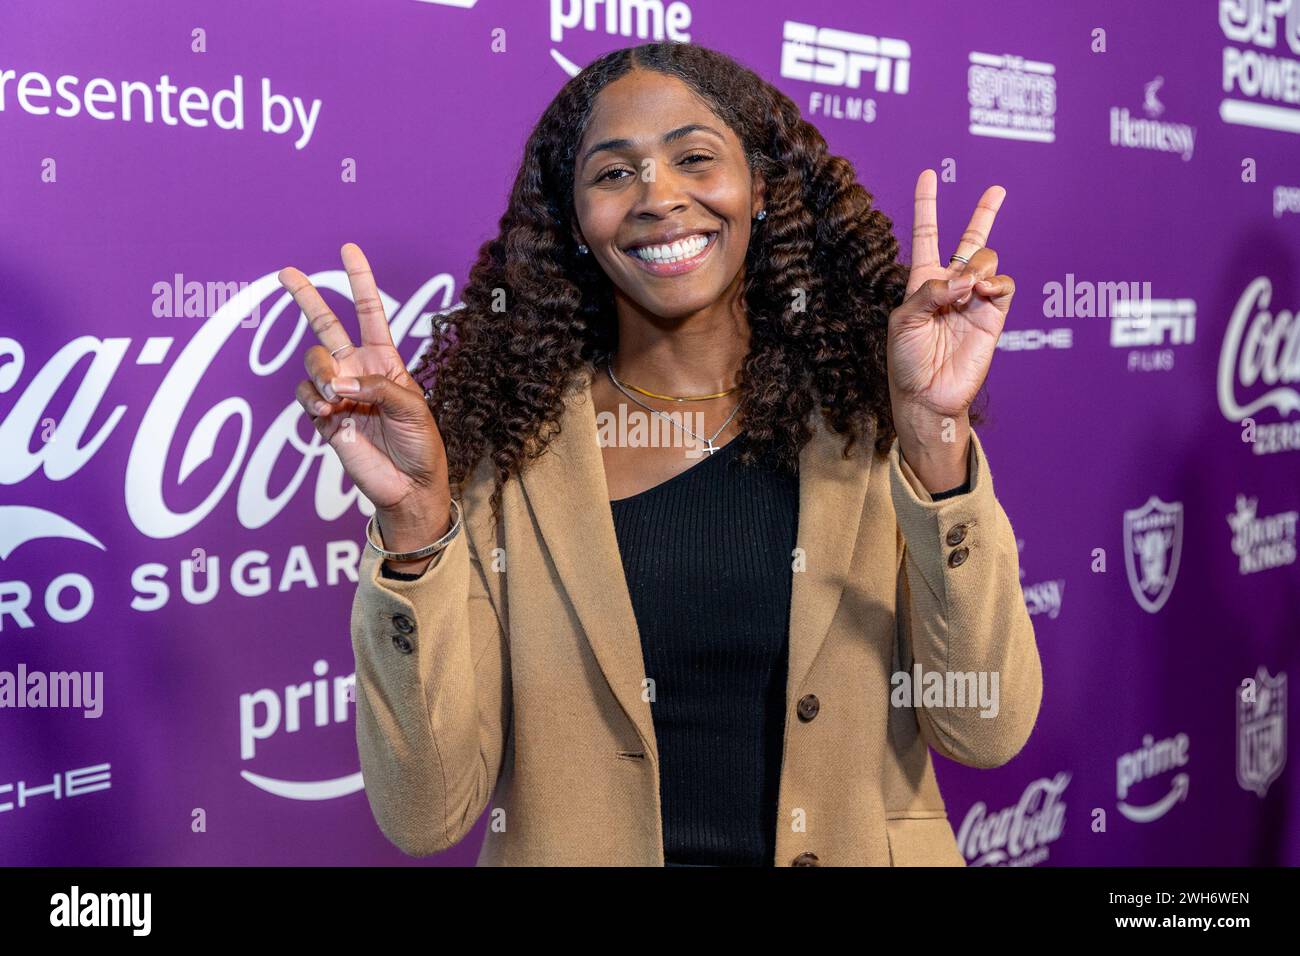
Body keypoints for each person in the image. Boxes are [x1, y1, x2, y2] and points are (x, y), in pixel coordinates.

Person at [280, 42, 1041, 867]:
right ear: (574, 222)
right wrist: (413, 520)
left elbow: (985, 728)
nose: (658, 197)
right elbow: (426, 814)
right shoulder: (500, 457)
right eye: (614, 174)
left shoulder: (868, 422)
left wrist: (934, 433)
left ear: (761, 187)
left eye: (695, 158)